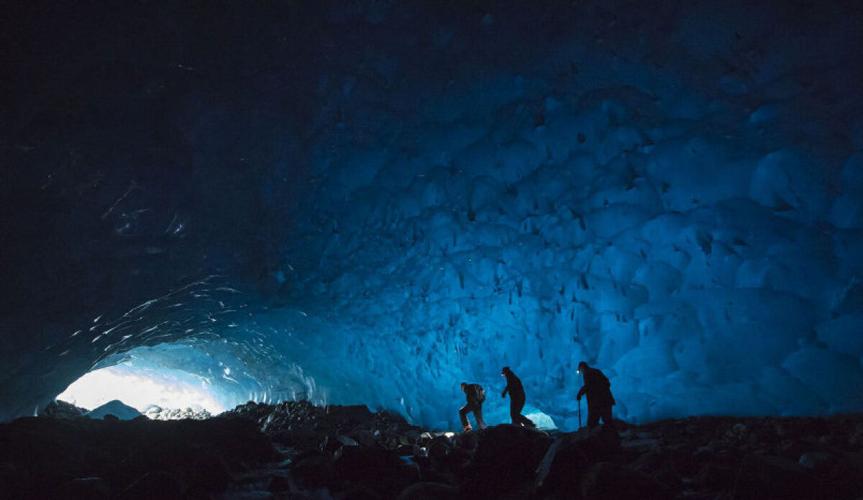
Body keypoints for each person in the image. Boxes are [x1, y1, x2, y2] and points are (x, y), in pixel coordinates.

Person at [576, 361, 615, 429]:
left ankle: (594, 438)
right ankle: (613, 437)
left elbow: (588, 386)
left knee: (592, 423)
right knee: (608, 420)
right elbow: (607, 382)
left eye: (580, 371)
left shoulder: (587, 373)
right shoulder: (596, 371)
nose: (581, 373)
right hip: (606, 399)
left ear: (582, 368)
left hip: (596, 402)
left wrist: (580, 393)